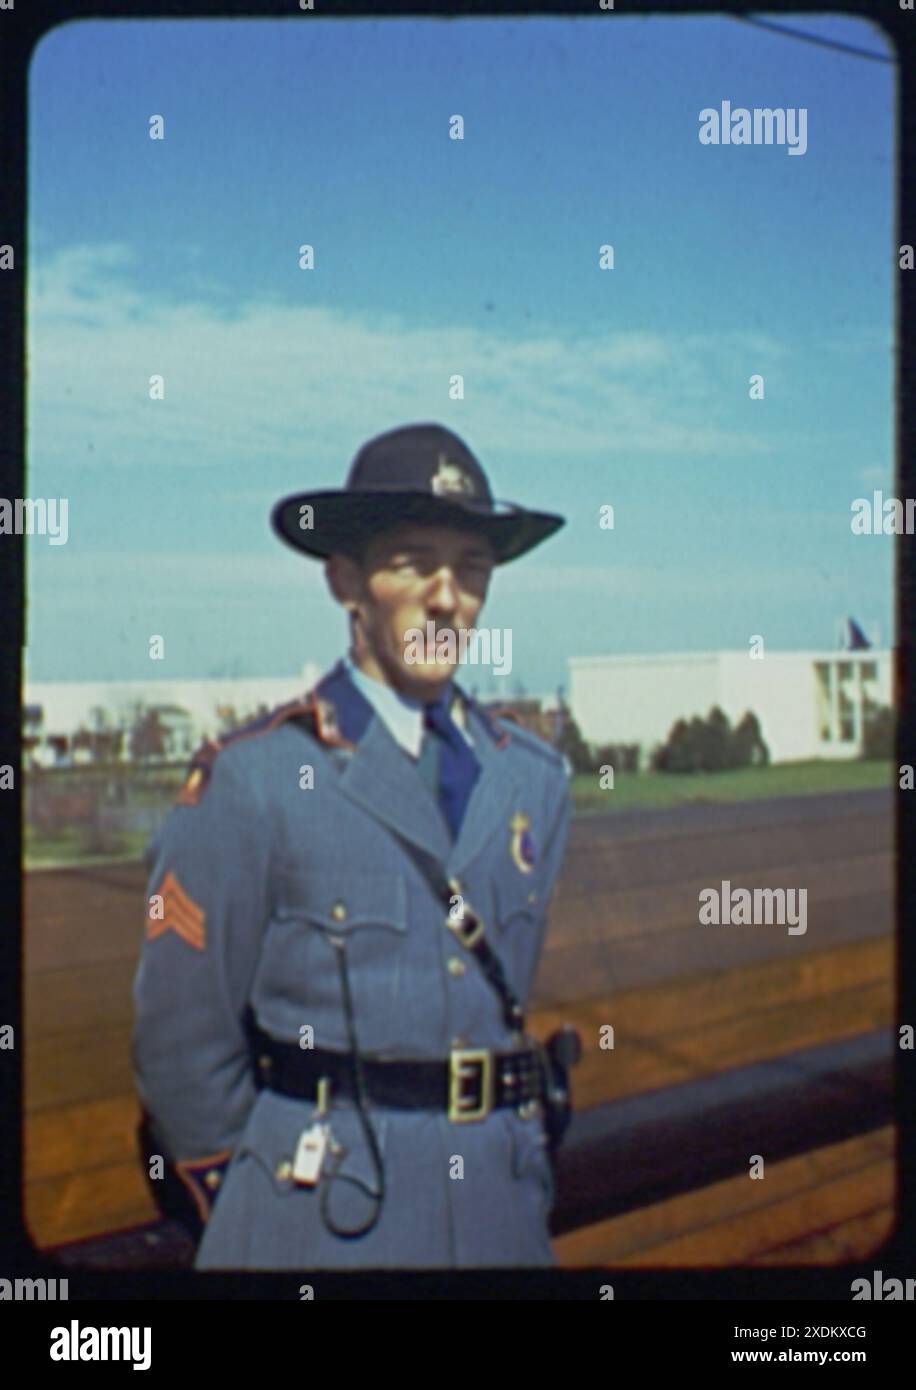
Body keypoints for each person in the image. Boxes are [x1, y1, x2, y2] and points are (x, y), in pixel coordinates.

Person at [131, 422, 574, 1269]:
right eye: (413, 561)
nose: (447, 597)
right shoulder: (254, 779)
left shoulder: (534, 783)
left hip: (500, 1219)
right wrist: (258, 1211)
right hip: (323, 1220)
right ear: (347, 581)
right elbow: (181, 1043)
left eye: (472, 569)